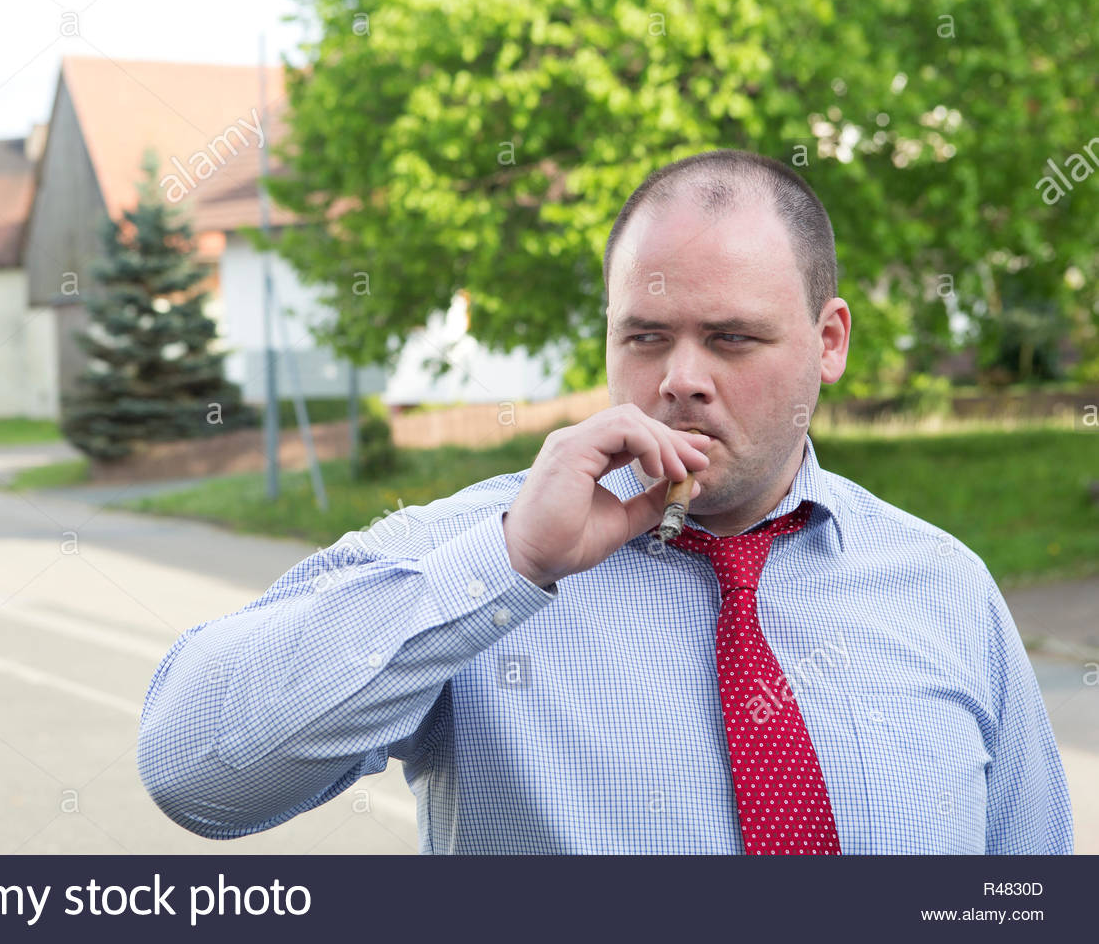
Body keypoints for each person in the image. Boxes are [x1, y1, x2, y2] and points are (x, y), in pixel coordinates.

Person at [137, 149, 1072, 854]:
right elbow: (194, 769)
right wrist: (508, 564)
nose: (682, 380)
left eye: (735, 339)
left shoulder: (944, 588)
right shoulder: (480, 551)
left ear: (829, 342)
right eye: (647, 337)